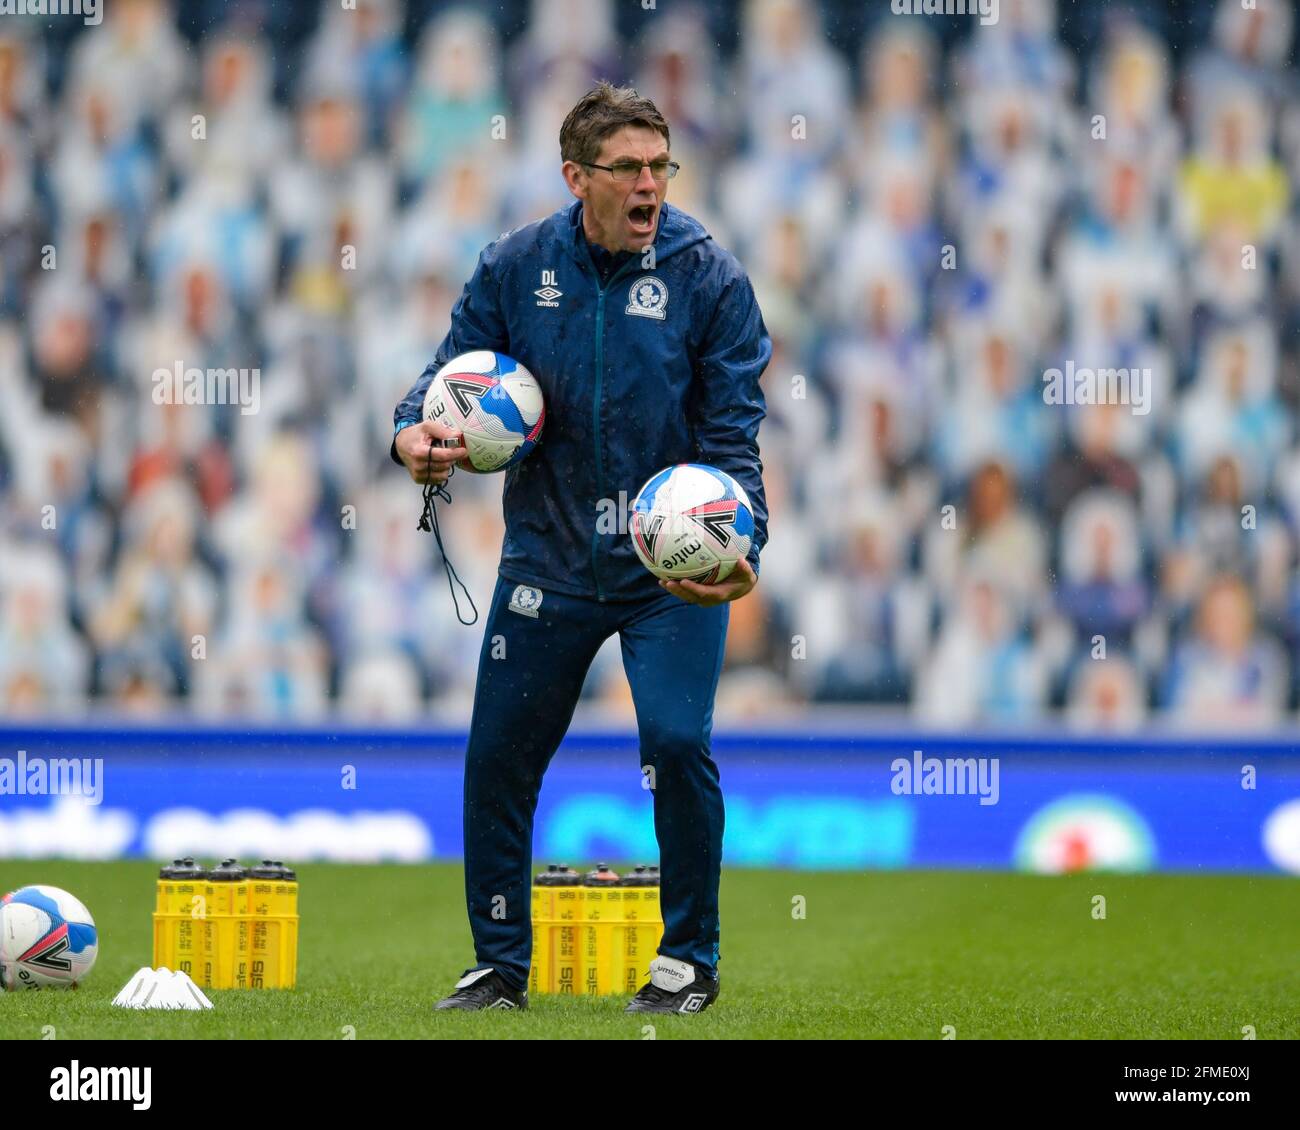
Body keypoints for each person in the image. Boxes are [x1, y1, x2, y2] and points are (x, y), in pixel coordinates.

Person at [390, 82, 770, 1013]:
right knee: (498, 758)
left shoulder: (710, 279)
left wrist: (741, 534)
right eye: (629, 169)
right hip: (548, 561)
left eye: (660, 167)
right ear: (577, 177)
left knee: (677, 744)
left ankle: (688, 962)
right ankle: (499, 969)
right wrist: (410, 434)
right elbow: (443, 382)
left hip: (666, 569)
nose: (650, 186)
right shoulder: (516, 268)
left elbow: (733, 443)